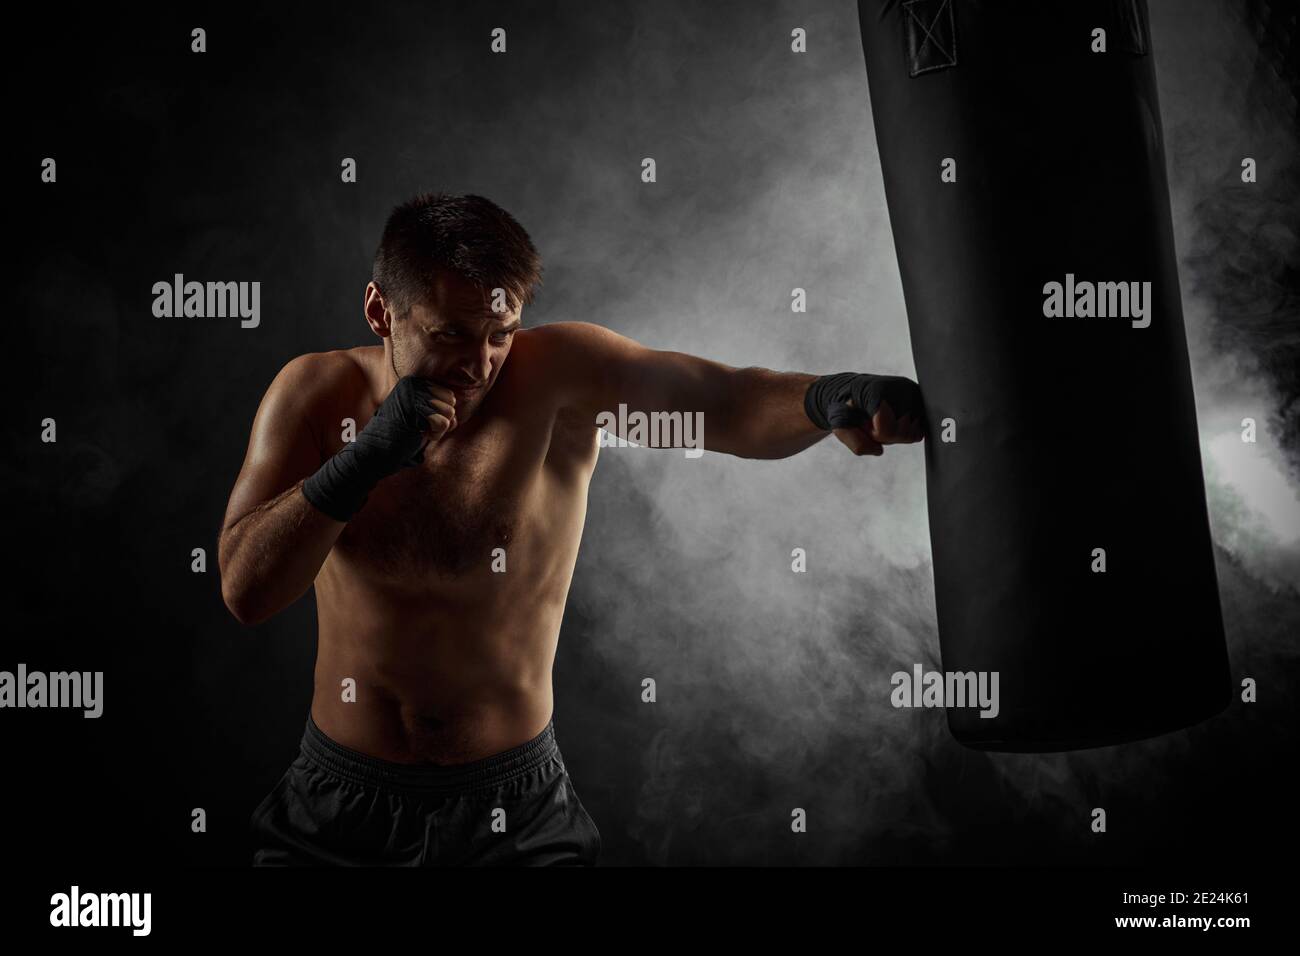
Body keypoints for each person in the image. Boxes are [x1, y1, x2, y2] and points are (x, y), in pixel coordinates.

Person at [221, 192, 925, 866]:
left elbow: (727, 405)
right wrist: (361, 461)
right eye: (451, 334)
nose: (478, 364)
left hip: (514, 814)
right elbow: (247, 591)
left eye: (501, 333)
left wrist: (830, 395)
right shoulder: (315, 394)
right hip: (340, 810)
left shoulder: (560, 379)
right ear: (381, 311)